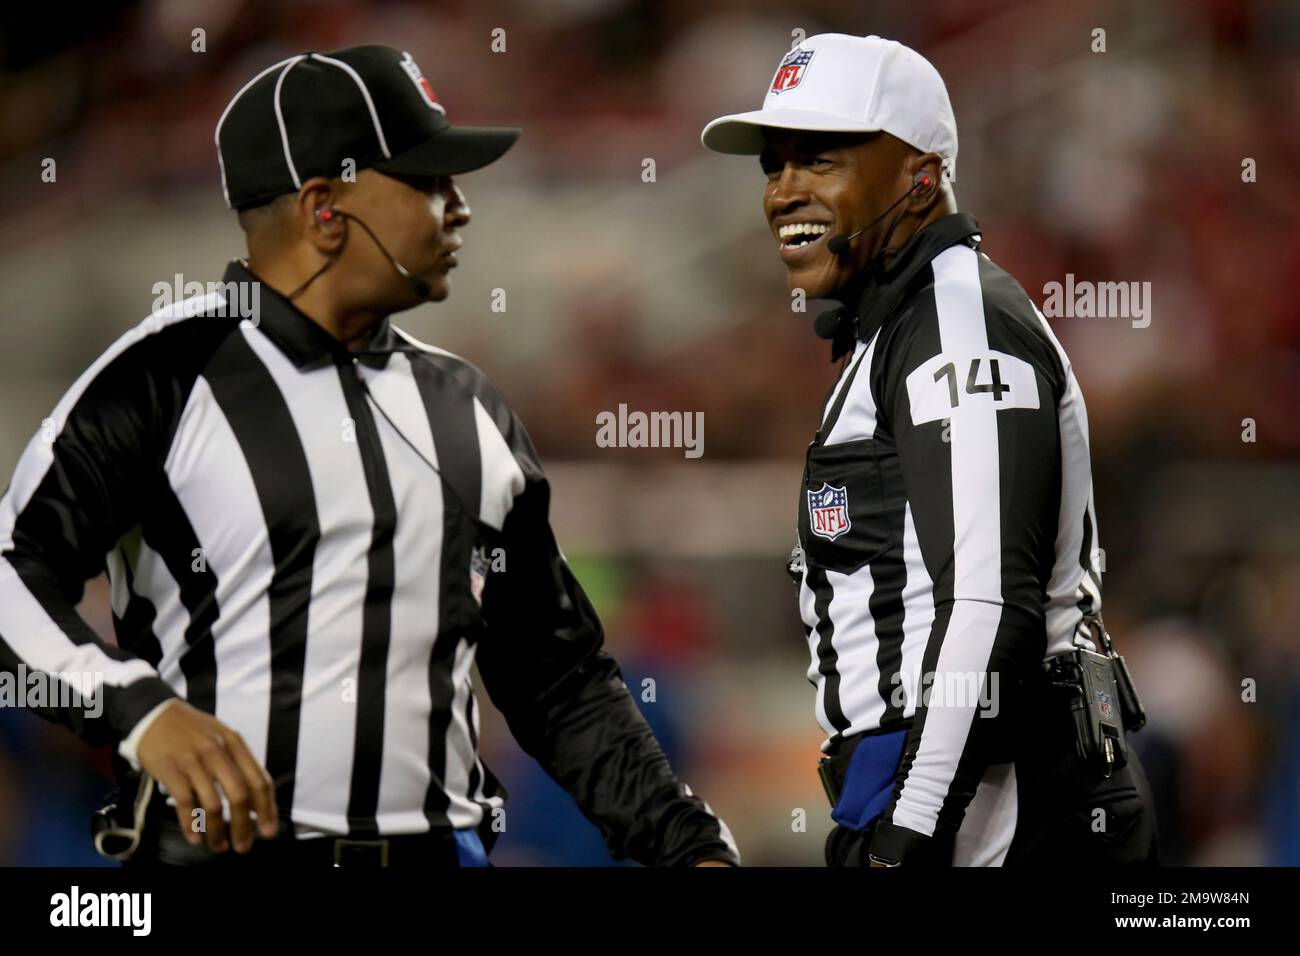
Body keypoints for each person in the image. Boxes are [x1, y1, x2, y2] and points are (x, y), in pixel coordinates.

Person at [0, 43, 738, 868]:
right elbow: (11, 572)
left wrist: (689, 847)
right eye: (426, 182)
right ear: (324, 208)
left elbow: (556, 677)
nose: (458, 207)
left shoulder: (469, 408)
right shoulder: (164, 375)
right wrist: (135, 709)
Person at [701, 33, 1156, 866]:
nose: (783, 192)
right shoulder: (905, 325)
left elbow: (988, 608)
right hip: (964, 795)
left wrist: (908, 834)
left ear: (920, 174)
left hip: (999, 805)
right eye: (775, 164)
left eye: (821, 159)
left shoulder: (957, 322)